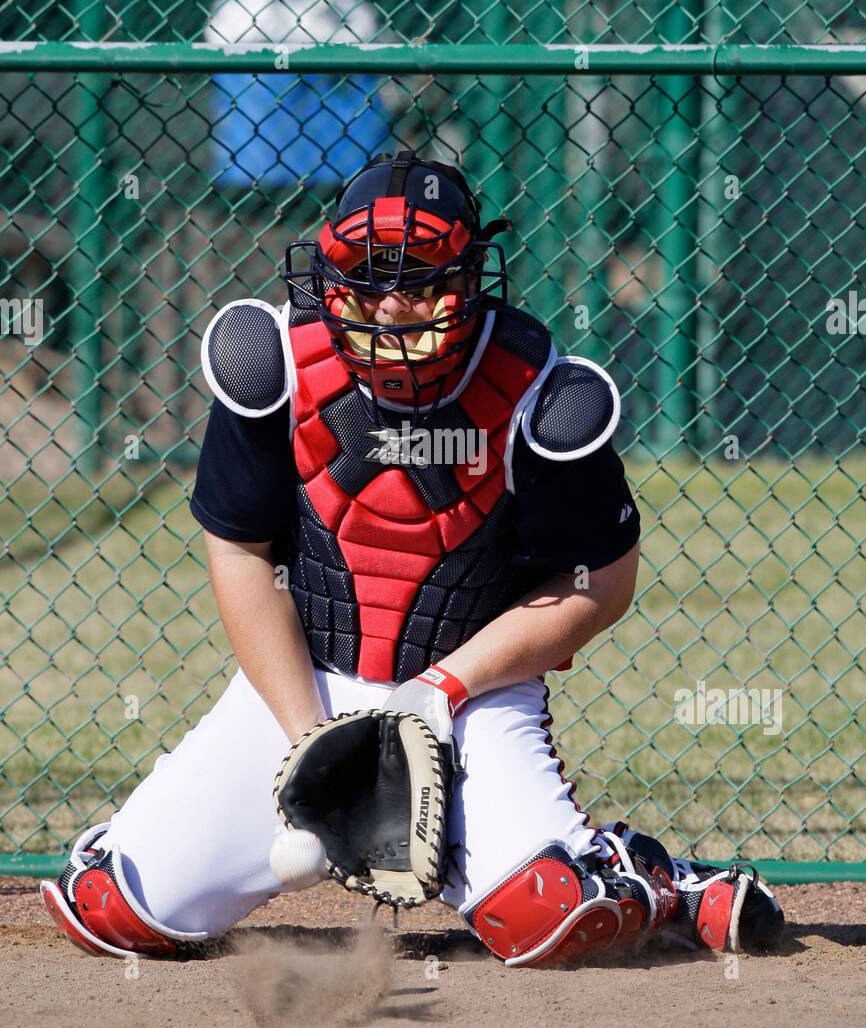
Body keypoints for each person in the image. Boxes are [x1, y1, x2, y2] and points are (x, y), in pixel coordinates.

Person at [41, 150, 784, 965]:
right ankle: (154, 830)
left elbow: (601, 583)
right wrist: (313, 749)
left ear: (469, 280)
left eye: (421, 279)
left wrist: (438, 692)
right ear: (325, 280)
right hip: (306, 679)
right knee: (112, 910)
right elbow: (243, 554)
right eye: (364, 279)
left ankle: (657, 878)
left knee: (550, 917)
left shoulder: (543, 394)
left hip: (463, 694)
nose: (391, 306)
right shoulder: (272, 365)